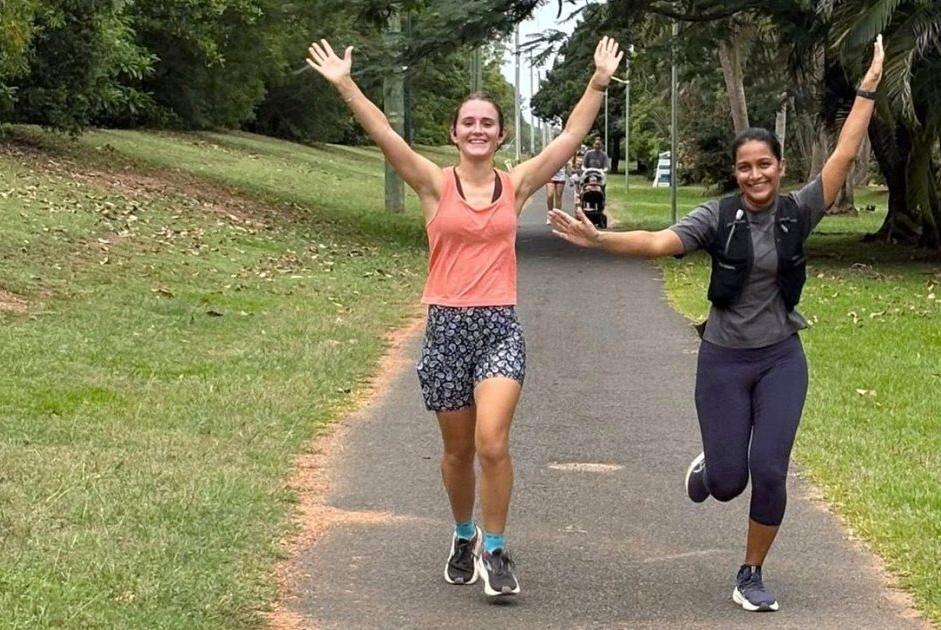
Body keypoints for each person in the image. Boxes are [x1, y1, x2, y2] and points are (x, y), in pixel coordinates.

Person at [549, 36, 885, 613]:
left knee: (771, 470)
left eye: (766, 165)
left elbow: (845, 155)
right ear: (736, 172)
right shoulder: (717, 216)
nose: (756, 175)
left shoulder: (798, 211)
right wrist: (599, 238)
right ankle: (712, 468)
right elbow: (659, 241)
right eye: (745, 167)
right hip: (725, 358)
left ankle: (750, 573)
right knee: (731, 481)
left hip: (781, 355)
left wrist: (869, 85)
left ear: (780, 168)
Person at [306, 36, 623, 597]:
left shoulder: (516, 184)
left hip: (499, 327)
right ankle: (462, 533)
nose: (478, 130)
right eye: (468, 123)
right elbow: (384, 134)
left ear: (501, 135)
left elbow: (571, 136)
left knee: (492, 444)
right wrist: (345, 85)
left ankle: (496, 550)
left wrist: (597, 82)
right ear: (455, 133)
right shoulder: (434, 184)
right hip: (447, 328)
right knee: (456, 452)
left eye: (487, 123)